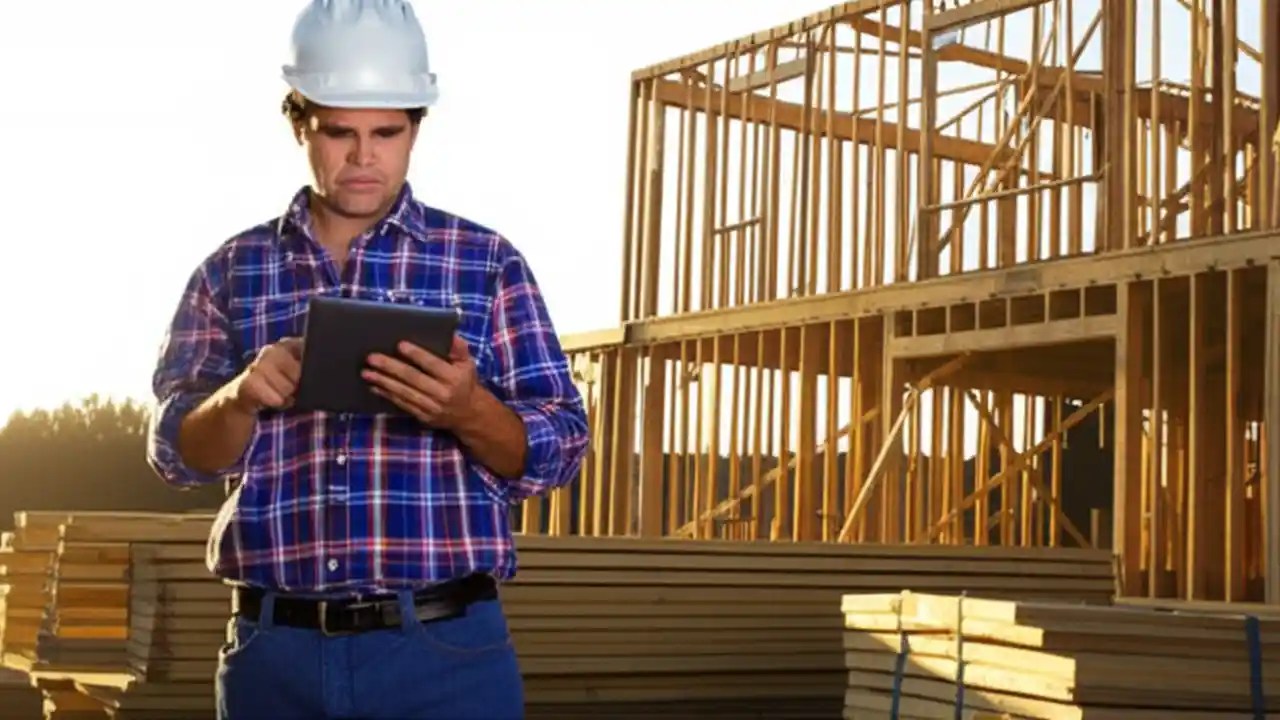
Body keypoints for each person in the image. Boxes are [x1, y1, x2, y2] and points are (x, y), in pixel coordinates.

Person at [144, 1, 589, 718]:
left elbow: (562, 448)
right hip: (272, 658)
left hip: (445, 657)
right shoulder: (233, 271)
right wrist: (239, 399)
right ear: (298, 124)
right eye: (338, 132)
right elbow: (176, 453)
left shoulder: (487, 265)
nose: (362, 157)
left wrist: (469, 411)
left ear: (417, 128)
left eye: (387, 132)